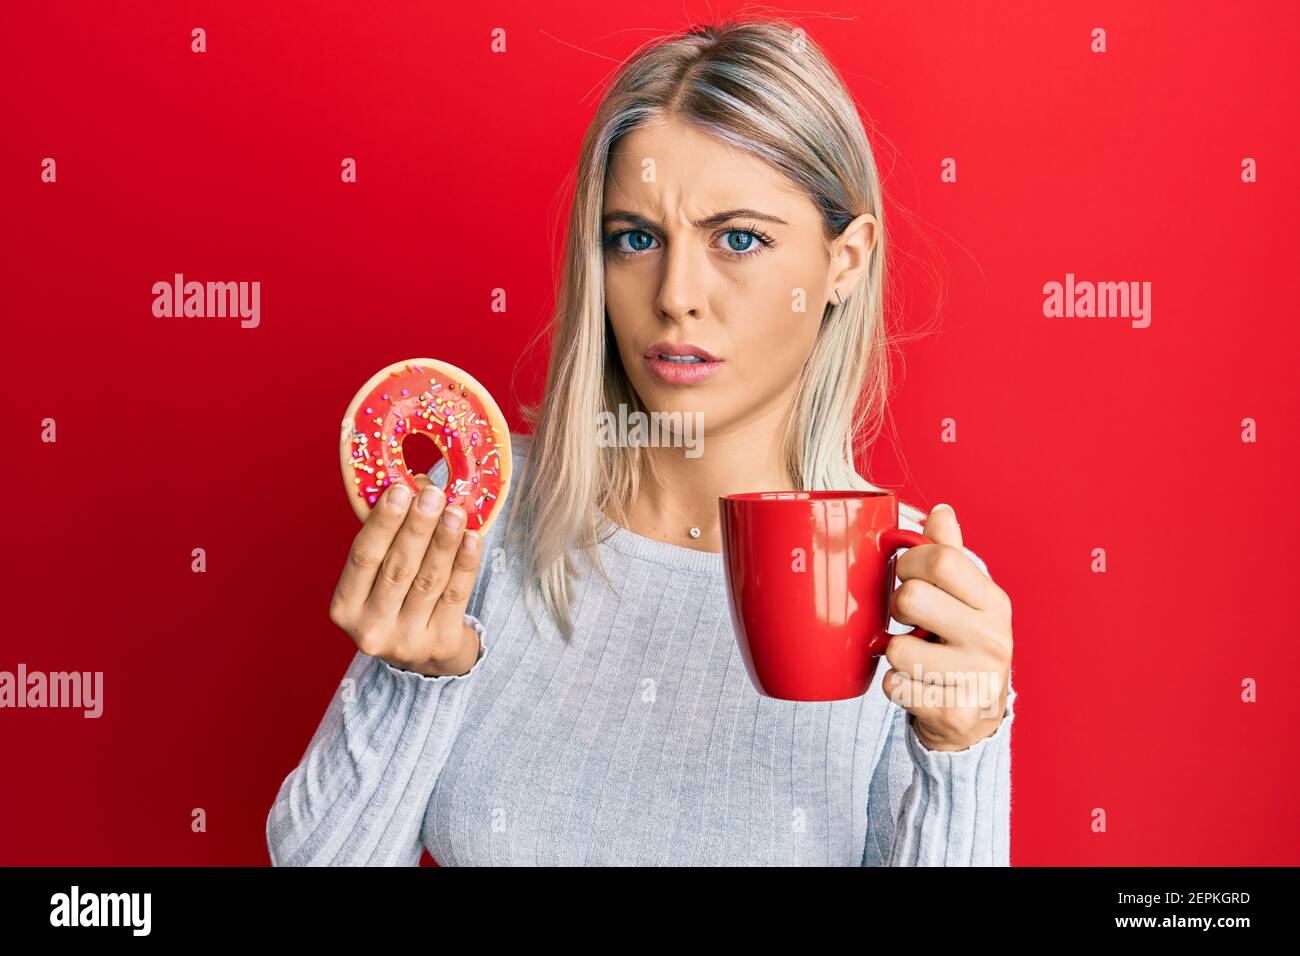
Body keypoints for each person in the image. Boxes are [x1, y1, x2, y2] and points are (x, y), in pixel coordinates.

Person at [267, 17, 1015, 866]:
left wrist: (962, 748)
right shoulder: (485, 504)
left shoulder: (919, 594)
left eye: (739, 238)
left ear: (843, 263)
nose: (676, 296)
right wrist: (419, 681)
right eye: (637, 239)